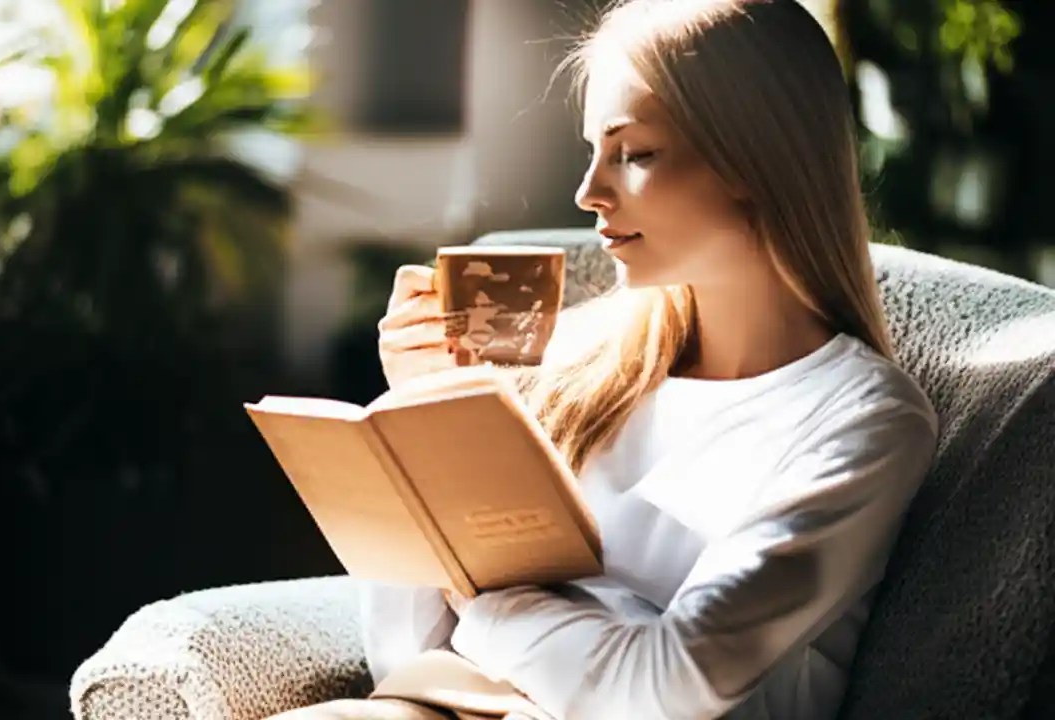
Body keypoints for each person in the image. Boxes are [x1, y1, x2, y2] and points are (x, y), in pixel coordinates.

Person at [270, 0, 938, 718]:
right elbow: (404, 656)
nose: (590, 192)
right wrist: (424, 421)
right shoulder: (583, 367)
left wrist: (489, 605)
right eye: (593, 150)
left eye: (635, 153)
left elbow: (667, 685)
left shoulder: (865, 423)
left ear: (756, 158)